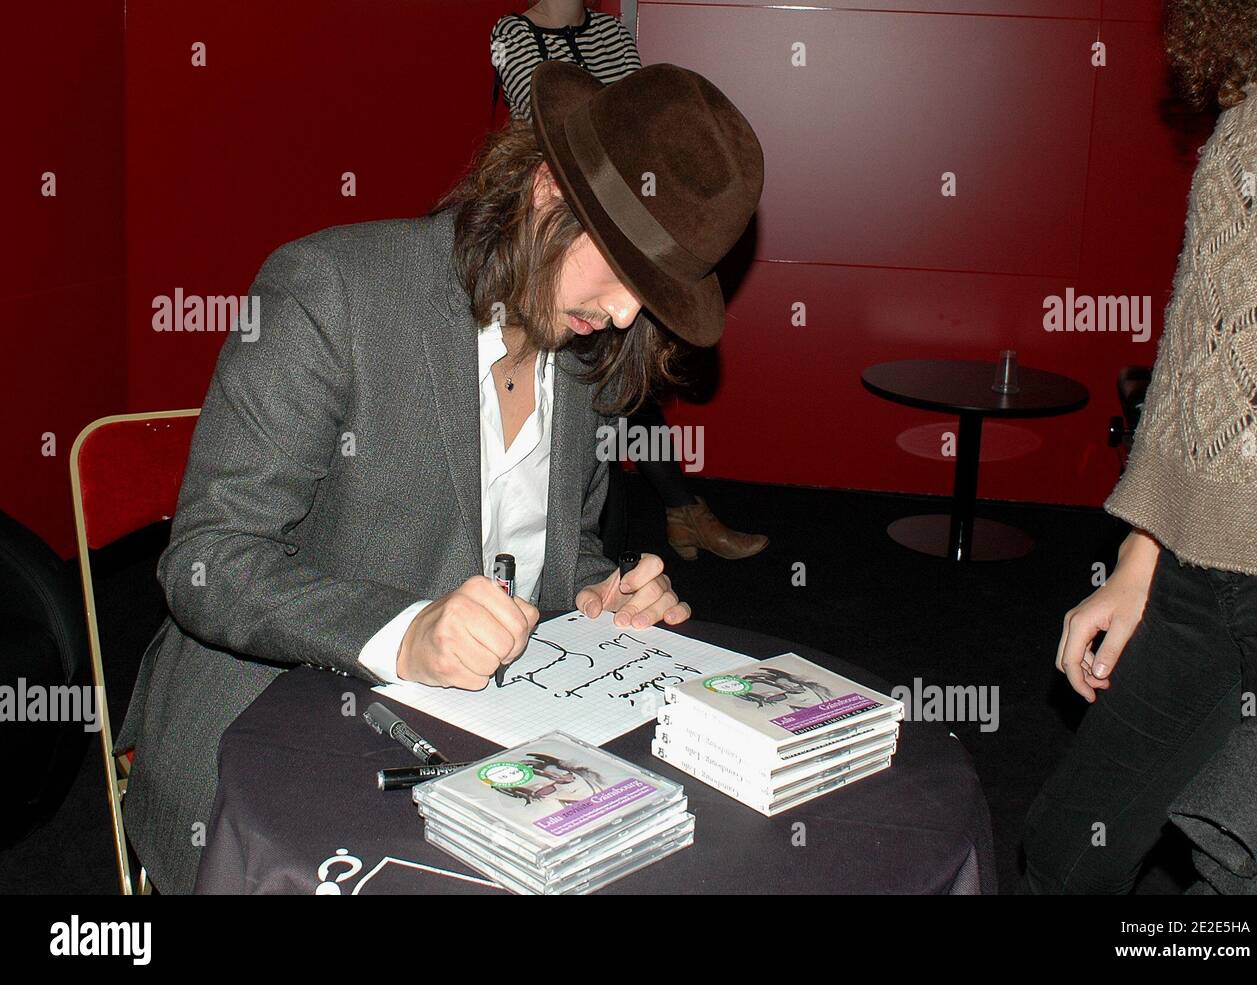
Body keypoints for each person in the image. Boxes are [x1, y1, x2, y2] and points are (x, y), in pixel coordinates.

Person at [116, 59, 765, 893]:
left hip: (476, 727)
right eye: (629, 271)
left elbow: (562, 543)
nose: (630, 314)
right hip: (277, 715)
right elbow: (208, 560)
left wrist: (604, 594)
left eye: (655, 289)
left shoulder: (587, 360)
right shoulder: (333, 292)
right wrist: (407, 632)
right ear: (545, 195)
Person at [1020, 0, 1257, 894]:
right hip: (1202, 566)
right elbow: (1201, 324)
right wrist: (1141, 551)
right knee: (1066, 851)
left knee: (1243, 873)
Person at [489, 0, 770, 561]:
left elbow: (637, 123)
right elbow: (558, 113)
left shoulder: (611, 32)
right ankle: (680, 511)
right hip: (548, 220)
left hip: (593, 216)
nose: (626, 312)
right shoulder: (513, 32)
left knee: (620, 396)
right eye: (627, 280)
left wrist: (593, 590)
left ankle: (651, 526)